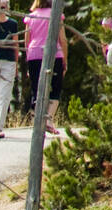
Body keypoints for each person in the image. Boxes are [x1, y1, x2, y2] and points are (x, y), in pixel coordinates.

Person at [24, 0, 67, 135]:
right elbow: (63, 39)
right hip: (54, 52)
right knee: (55, 87)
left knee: (37, 88)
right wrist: (65, 59)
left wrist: (28, 59)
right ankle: (48, 119)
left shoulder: (30, 17)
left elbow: (27, 40)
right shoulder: (56, 14)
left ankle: (38, 120)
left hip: (34, 53)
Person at [0, 0, 20, 138]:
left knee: (4, 95)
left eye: (4, 6)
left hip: (8, 62)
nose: (3, 8)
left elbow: (15, 44)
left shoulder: (13, 24)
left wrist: (16, 63)